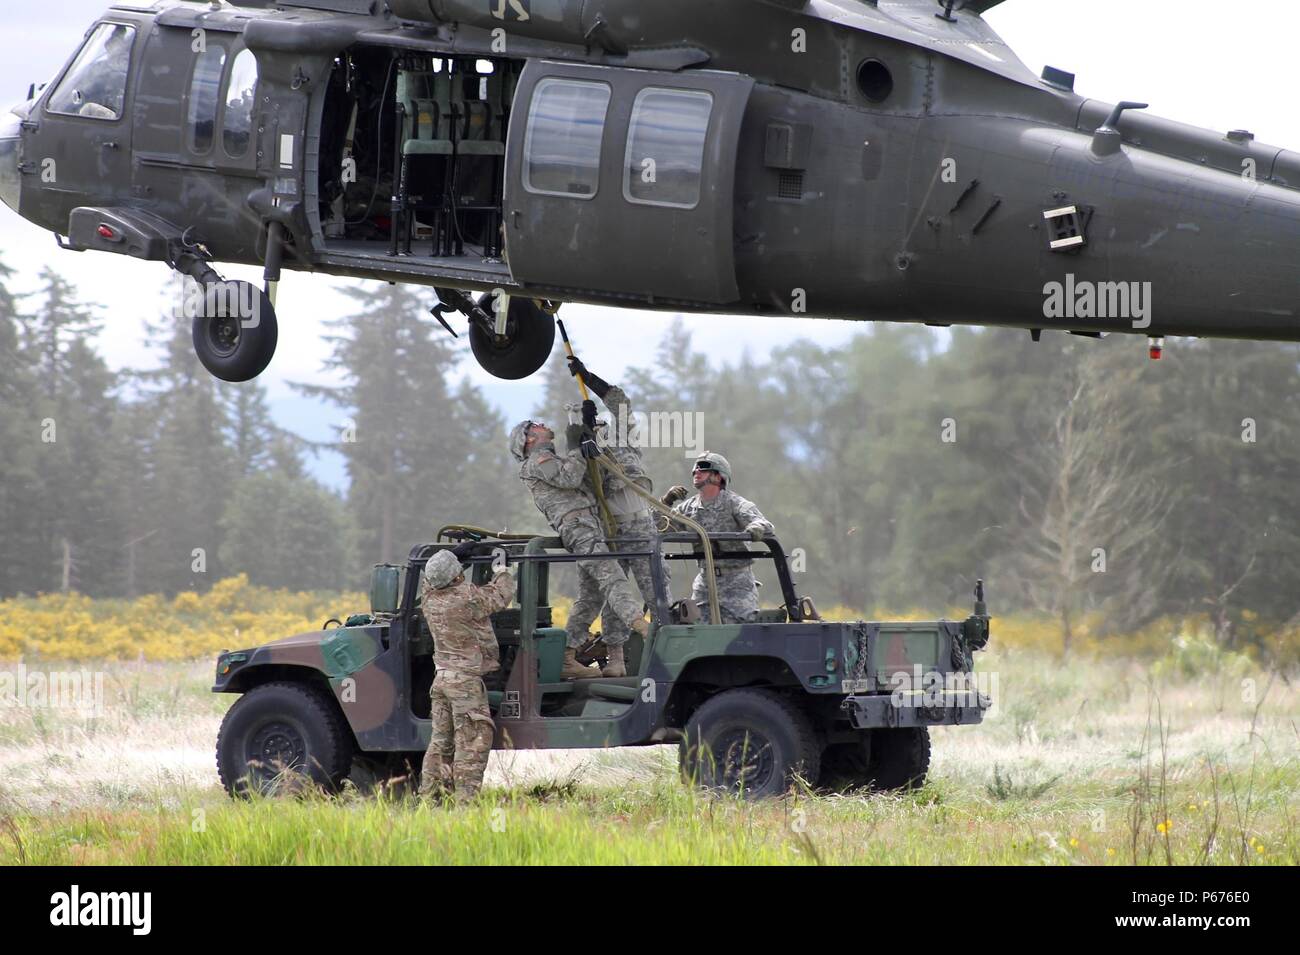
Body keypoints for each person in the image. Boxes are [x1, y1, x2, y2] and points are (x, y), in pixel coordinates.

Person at [509, 419, 648, 679]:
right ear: (528, 439)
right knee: (612, 577)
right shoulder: (537, 461)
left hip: (590, 524)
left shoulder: (554, 460)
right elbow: (570, 478)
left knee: (591, 596)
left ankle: (567, 656)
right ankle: (642, 627)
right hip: (578, 526)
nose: (543, 424)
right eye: (536, 425)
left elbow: (591, 478)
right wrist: (575, 445)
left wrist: (591, 440)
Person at [564, 356, 668, 677]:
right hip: (613, 528)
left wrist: (589, 378)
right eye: (595, 426)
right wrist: (582, 431)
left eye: (601, 425)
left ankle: (669, 656)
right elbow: (576, 474)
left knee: (657, 590)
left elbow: (621, 403)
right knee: (614, 595)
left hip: (642, 525)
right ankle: (616, 658)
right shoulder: (587, 454)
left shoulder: (626, 441)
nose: (601, 428)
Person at [418, 545, 513, 802]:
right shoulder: (467, 598)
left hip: (441, 680)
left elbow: (430, 580)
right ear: (457, 576)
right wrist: (501, 569)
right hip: (465, 684)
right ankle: (465, 805)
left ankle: (429, 802)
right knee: (471, 744)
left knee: (440, 744)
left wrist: (452, 556)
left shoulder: (428, 599)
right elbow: (502, 596)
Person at [667, 451, 774, 624]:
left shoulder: (734, 503)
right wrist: (667, 501)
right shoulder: (689, 507)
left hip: (736, 581)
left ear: (718, 477)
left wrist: (754, 529)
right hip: (705, 582)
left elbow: (763, 523)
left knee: (741, 633)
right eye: (695, 469)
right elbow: (659, 528)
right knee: (697, 630)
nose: (696, 472)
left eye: (704, 468)